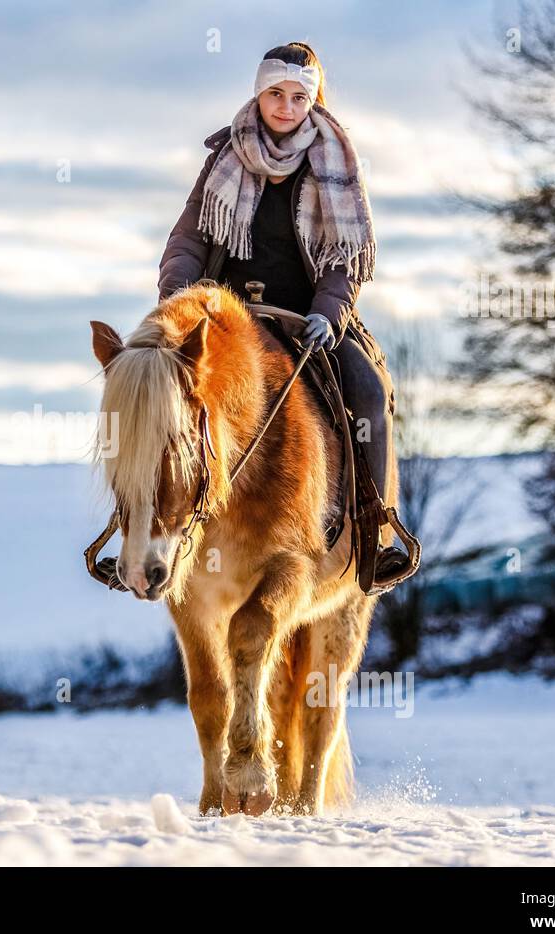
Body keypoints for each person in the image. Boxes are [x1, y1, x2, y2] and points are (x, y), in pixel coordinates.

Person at [157, 41, 412, 586]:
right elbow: (188, 241)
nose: (287, 107)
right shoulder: (223, 159)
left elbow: (344, 259)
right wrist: (178, 302)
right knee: (154, 382)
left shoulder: (335, 164)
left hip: (307, 319)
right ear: (259, 93)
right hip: (227, 319)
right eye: (276, 93)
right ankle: (138, 527)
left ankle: (374, 533)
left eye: (300, 96)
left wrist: (329, 312)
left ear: (313, 100)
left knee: (367, 388)